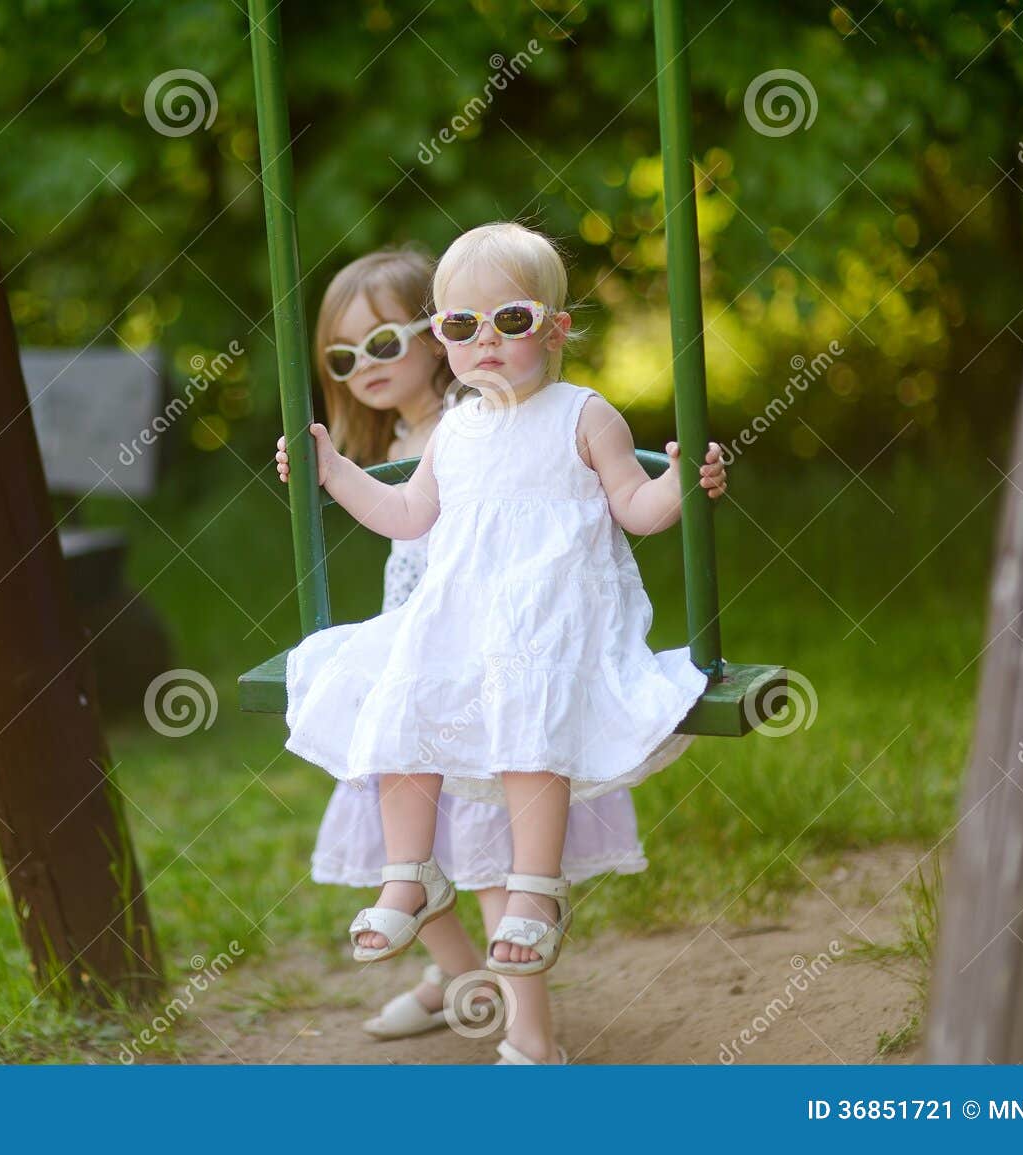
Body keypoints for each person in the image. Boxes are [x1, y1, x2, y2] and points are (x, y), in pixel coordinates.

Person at [275, 222, 729, 1019]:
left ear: (554, 328)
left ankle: (533, 889)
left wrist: (686, 483)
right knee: (400, 692)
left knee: (528, 710)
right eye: (459, 326)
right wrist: (333, 471)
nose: (483, 341)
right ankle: (410, 874)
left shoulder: (584, 415)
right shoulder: (457, 428)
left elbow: (636, 505)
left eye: (509, 321)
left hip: (560, 624)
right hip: (467, 623)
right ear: (443, 335)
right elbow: (408, 514)